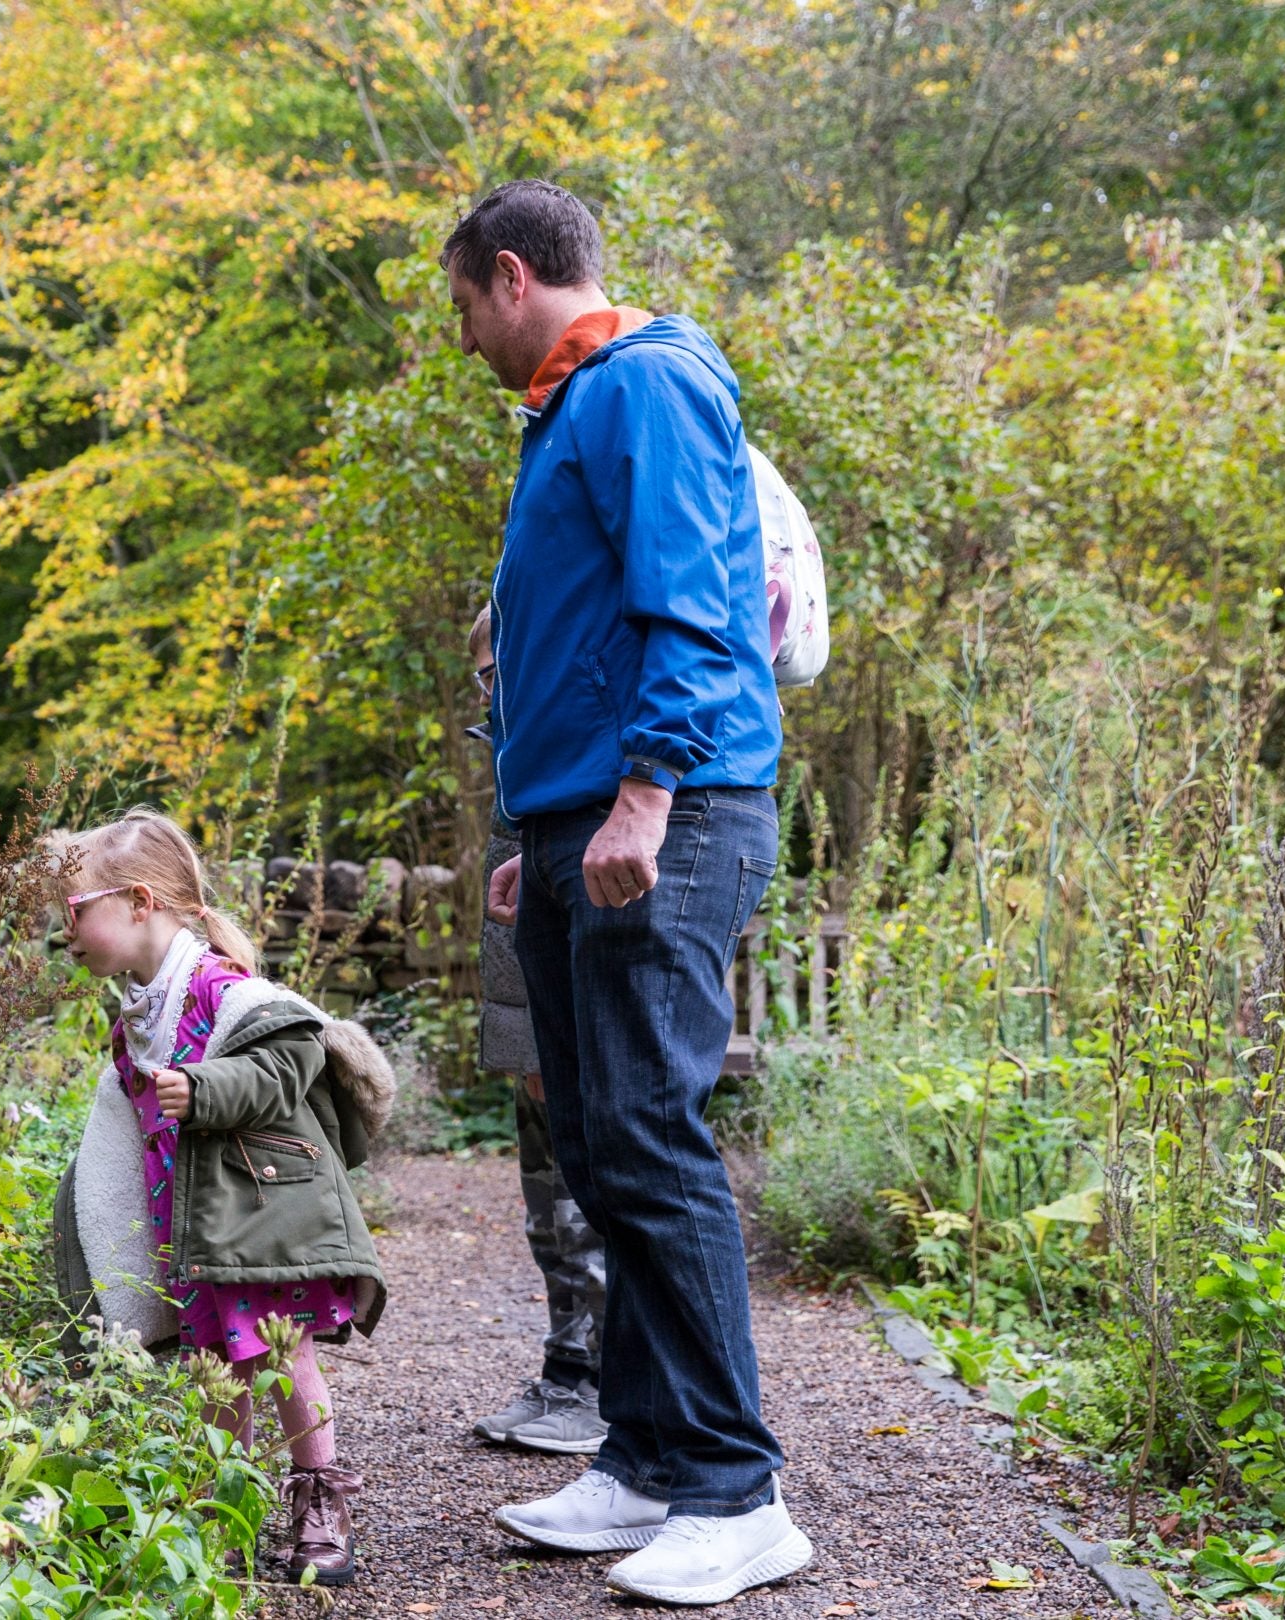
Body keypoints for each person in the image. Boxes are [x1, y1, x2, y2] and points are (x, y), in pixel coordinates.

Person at [446, 179, 810, 1607]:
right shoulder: (568, 410)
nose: (464, 337)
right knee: (600, 1147)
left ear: (513, 275)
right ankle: (648, 1457)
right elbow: (571, 636)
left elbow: (695, 603)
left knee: (651, 1137)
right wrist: (538, 826)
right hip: (577, 821)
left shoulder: (647, 385)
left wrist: (646, 793)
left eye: (464, 306)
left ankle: (736, 1490)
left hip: (673, 813)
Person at [55, 809, 394, 1586]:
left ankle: (321, 1500)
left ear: (139, 902)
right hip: (193, 1228)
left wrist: (204, 1088)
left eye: (74, 911)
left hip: (257, 1219)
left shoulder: (221, 987)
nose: (63, 932)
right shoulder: (138, 1013)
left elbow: (290, 1061)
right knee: (213, 1367)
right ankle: (226, 1509)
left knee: (283, 1353)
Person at [464, 605, 609, 1457]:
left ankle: (599, 1387)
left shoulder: (566, 753)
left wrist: (549, 1035)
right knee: (545, 1209)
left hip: (562, 1013)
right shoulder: (516, 751)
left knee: (582, 1204)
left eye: (494, 672)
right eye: (482, 677)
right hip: (527, 1009)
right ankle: (566, 1370)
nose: (487, 692)